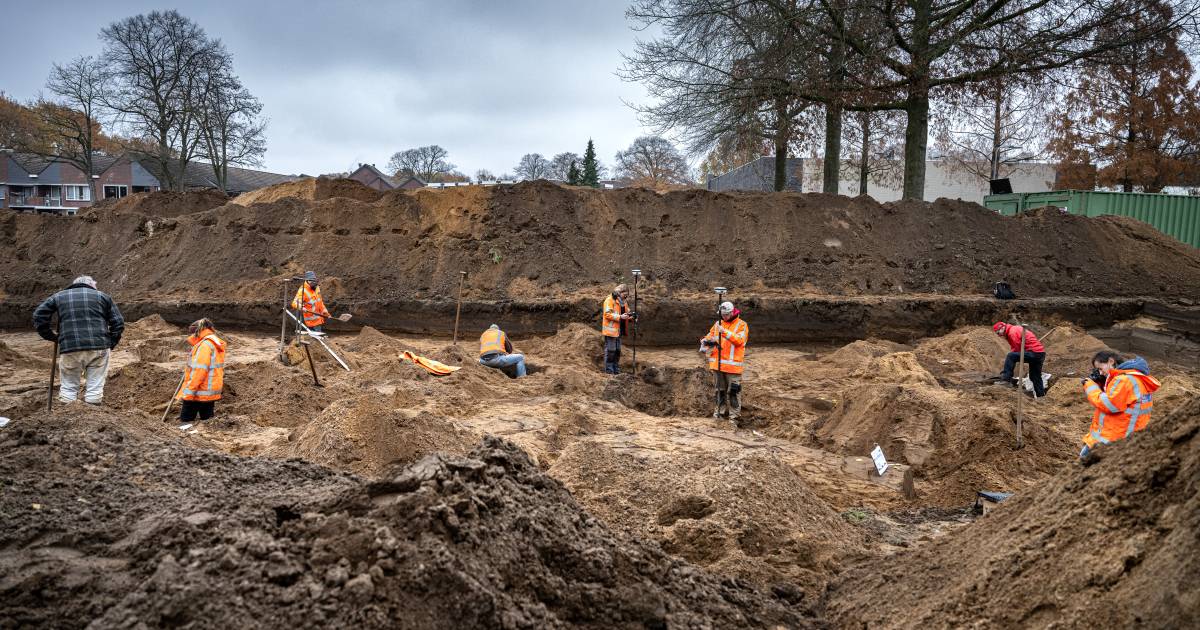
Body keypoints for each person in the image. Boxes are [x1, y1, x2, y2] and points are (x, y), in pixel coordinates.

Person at [32, 275, 124, 405]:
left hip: (70, 347)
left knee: (69, 386)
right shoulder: (102, 296)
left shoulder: (59, 296)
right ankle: (93, 414)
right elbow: (118, 323)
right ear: (92, 286)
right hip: (99, 347)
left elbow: (38, 315)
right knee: (95, 386)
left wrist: (51, 336)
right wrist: (111, 343)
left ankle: (69, 415)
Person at [1078, 351, 1159, 459]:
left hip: (1112, 439)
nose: (1100, 373)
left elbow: (1108, 405)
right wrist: (1102, 384)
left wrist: (1090, 386)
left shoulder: (1124, 380)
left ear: (1111, 361)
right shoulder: (1133, 378)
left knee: (1082, 464)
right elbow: (1120, 399)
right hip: (1124, 438)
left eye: (1100, 368)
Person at [700, 301, 749, 424]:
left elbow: (739, 341)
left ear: (732, 312)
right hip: (718, 364)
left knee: (733, 392)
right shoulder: (718, 323)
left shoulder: (742, 325)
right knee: (719, 391)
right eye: (722, 314)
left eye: (726, 315)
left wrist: (725, 332)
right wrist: (705, 343)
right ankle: (719, 416)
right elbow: (710, 336)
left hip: (733, 367)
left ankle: (734, 419)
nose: (724, 317)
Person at [177, 318, 226, 422]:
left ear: (198, 331)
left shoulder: (204, 346)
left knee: (186, 419)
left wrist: (189, 391)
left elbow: (199, 371)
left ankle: (185, 436)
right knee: (208, 420)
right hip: (209, 390)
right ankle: (205, 436)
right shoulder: (213, 343)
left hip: (199, 390)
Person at [993, 321, 1047, 398]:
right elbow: (1016, 349)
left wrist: (1010, 361)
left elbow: (1017, 349)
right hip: (1040, 353)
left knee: (1010, 356)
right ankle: (1041, 396)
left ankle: (1006, 380)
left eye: (998, 333)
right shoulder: (1013, 330)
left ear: (1002, 328)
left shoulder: (1012, 332)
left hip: (1034, 352)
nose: (999, 335)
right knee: (1035, 377)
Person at [601, 284, 634, 374]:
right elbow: (607, 314)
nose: (626, 297)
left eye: (627, 295)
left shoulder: (624, 302)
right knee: (611, 351)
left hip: (619, 330)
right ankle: (609, 371)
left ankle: (616, 369)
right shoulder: (610, 300)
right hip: (611, 331)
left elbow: (626, 313)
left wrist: (632, 317)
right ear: (619, 293)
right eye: (625, 295)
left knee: (617, 351)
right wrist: (620, 317)